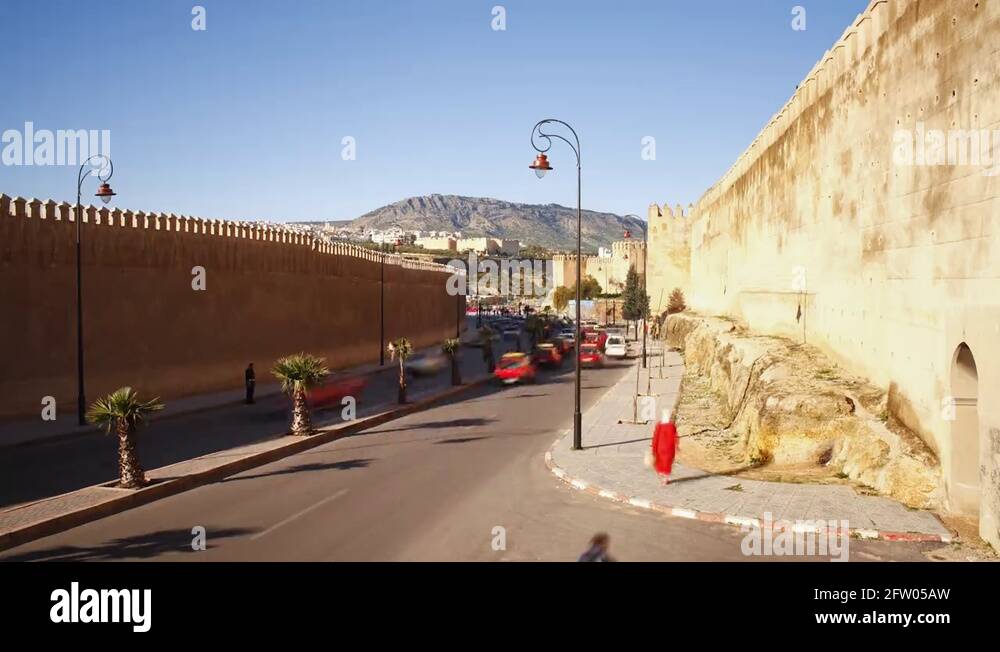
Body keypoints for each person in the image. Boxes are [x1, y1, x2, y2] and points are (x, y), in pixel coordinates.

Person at [651, 409, 679, 485]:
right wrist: (677, 447)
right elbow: (675, 438)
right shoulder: (672, 426)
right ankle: (665, 478)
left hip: (660, 447)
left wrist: (653, 448)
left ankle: (661, 475)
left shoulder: (659, 425)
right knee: (667, 463)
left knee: (659, 462)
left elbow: (655, 437)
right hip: (669, 448)